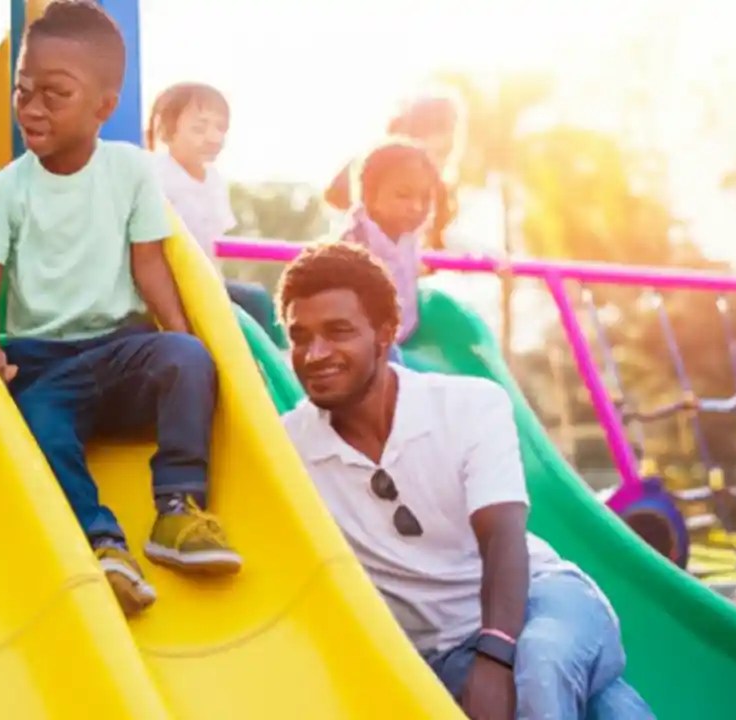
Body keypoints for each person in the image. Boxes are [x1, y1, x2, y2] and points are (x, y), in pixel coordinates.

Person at [276, 242, 653, 719]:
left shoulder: (470, 405)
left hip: (544, 604)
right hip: (446, 653)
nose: (315, 354)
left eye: (338, 332)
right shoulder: (290, 447)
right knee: (611, 709)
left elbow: (503, 536)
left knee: (539, 669)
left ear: (386, 333)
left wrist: (495, 658)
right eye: (300, 336)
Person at [0, 0, 241, 618]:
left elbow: (151, 267)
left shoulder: (131, 171)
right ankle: (100, 540)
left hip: (119, 351)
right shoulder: (7, 188)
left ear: (103, 107)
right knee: (38, 424)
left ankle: (176, 510)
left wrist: (192, 343)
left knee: (185, 358)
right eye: (23, 91)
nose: (32, 108)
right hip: (42, 364)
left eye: (54, 95)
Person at [146, 81, 287, 348]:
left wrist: (216, 287)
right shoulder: (157, 176)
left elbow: (210, 244)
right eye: (199, 128)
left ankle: (276, 368)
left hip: (205, 281)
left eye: (220, 128)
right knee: (250, 305)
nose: (213, 136)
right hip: (173, 285)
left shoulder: (212, 179)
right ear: (166, 132)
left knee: (257, 300)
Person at [336, 137, 449, 363]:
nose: (416, 207)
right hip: (365, 343)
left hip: (401, 335)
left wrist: (492, 258)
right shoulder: (357, 239)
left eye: (425, 198)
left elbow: (457, 244)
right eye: (403, 195)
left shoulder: (407, 235)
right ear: (370, 197)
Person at [323, 86, 466, 211]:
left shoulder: (445, 192)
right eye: (442, 126)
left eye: (453, 129)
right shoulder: (372, 166)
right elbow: (334, 200)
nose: (451, 140)